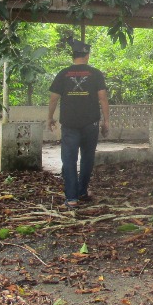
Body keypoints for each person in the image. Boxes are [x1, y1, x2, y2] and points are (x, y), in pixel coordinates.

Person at [47, 38, 110, 209]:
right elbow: (103, 98)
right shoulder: (95, 74)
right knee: (87, 158)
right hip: (91, 123)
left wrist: (49, 117)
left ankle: (72, 198)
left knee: (69, 159)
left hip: (69, 124)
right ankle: (82, 191)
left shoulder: (63, 74)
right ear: (87, 55)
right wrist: (106, 121)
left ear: (73, 56)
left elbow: (53, 99)